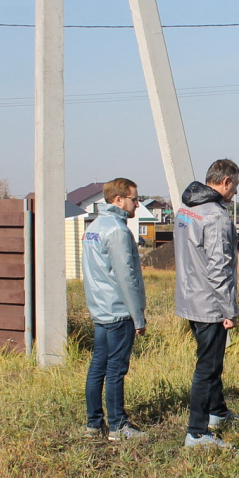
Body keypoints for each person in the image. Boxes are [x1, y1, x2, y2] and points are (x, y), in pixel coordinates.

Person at [174, 158, 239, 447]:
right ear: (225, 181)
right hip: (210, 303)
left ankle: (218, 412)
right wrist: (229, 309)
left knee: (210, 360)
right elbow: (218, 267)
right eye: (235, 185)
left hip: (190, 297)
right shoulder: (215, 215)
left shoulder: (187, 208)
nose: (235, 192)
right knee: (208, 367)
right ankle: (197, 431)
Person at [81, 177, 149, 441]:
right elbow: (126, 276)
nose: (136, 204)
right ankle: (118, 426)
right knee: (116, 369)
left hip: (100, 308)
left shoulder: (94, 227)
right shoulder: (118, 231)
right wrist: (138, 315)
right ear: (118, 200)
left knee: (98, 365)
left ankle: (94, 423)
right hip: (119, 310)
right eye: (134, 199)